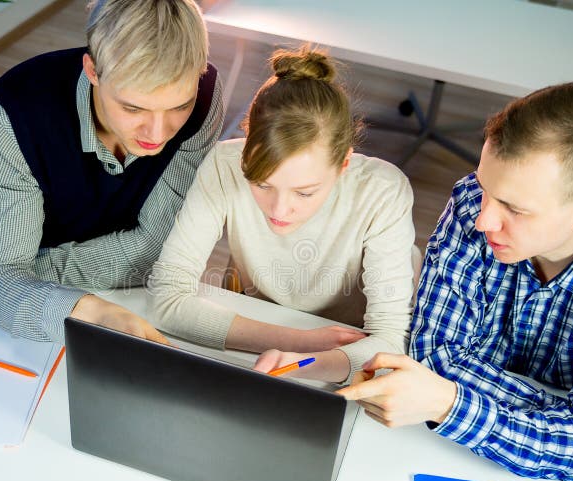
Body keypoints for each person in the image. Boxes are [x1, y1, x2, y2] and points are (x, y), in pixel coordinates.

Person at [338, 82, 573, 481]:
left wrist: (449, 402)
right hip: (449, 454)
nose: (483, 220)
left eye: (514, 209)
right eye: (486, 189)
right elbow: (437, 355)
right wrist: (564, 420)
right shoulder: (472, 203)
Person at [0, 0, 224, 344]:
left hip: (83, 294)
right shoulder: (15, 117)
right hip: (52, 315)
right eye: (133, 107)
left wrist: (0, 273)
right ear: (92, 70)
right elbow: (1, 290)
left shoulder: (205, 96)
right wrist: (91, 310)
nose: (157, 133)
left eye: (178, 106)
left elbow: (157, 248)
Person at [147, 47, 416, 384]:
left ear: (344, 164)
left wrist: (302, 364)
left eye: (304, 192)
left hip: (345, 355)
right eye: (261, 184)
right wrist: (297, 342)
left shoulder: (382, 191)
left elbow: (389, 341)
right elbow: (167, 298)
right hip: (266, 328)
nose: (278, 210)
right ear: (246, 147)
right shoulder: (223, 164)